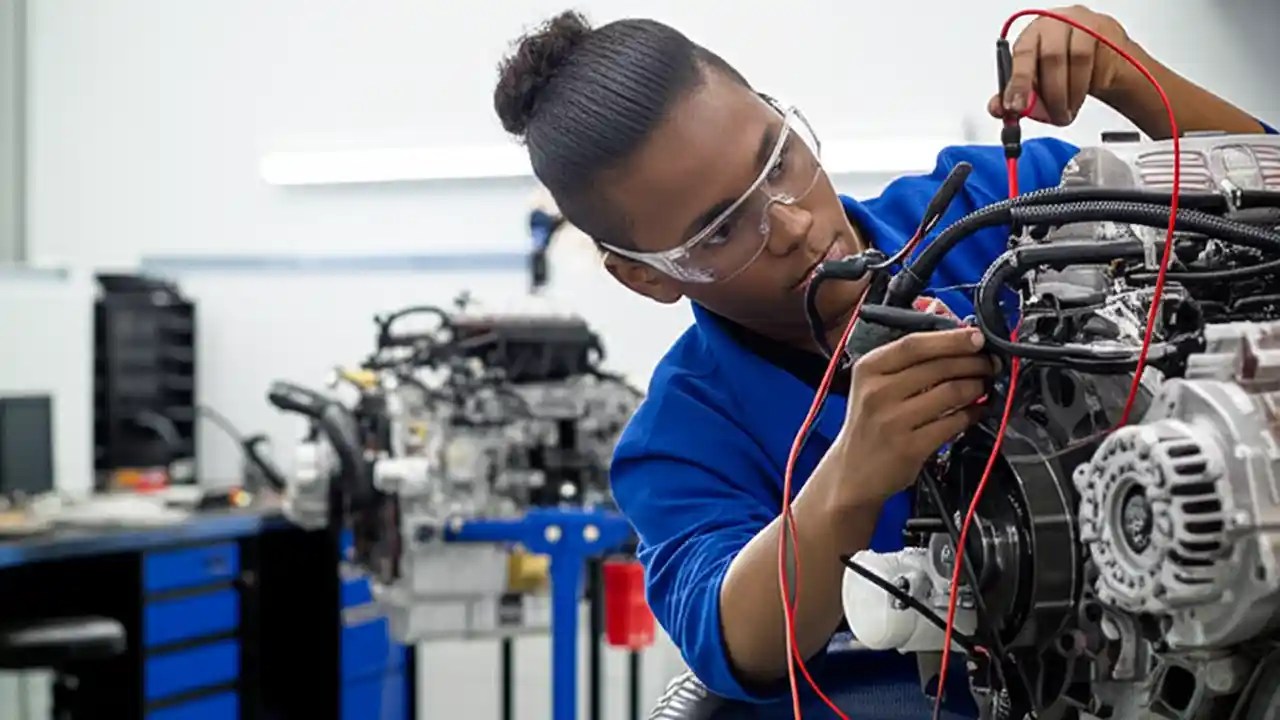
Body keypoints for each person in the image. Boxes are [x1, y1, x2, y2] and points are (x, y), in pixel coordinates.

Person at [492, 5, 1276, 705]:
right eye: (723, 229)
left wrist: (1135, 82)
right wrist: (850, 481)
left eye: (779, 159)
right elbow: (734, 638)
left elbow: (1262, 231)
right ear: (644, 275)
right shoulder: (683, 435)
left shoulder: (1003, 211)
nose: (793, 222)